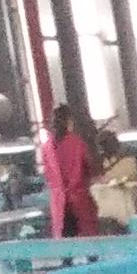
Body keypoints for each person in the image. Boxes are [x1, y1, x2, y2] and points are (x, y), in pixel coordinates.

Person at [41, 101, 100, 238]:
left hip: (60, 205)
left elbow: (48, 175)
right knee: (87, 241)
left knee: (65, 244)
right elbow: (90, 167)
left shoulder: (46, 148)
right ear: (69, 121)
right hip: (79, 202)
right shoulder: (78, 143)